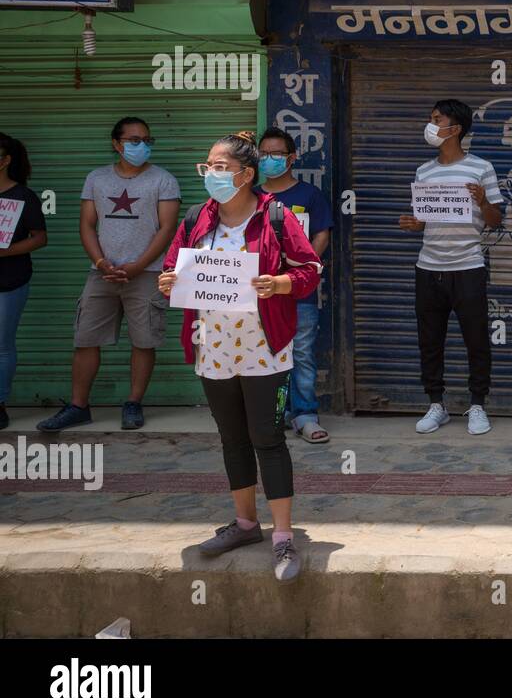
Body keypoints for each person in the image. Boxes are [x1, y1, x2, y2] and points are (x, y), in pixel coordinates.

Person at [158, 131, 322, 582]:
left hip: (264, 348)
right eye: (207, 167)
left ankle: (283, 535)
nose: (211, 174)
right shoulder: (196, 219)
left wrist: (280, 284)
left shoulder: (275, 216)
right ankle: (246, 524)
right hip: (212, 346)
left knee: (267, 437)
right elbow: (174, 267)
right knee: (232, 438)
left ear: (246, 175)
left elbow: (310, 270)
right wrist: (169, 282)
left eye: (220, 167)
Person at [39, 117, 179, 432]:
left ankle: (133, 403)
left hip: (145, 273)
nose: (140, 145)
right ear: (116, 143)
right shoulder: (97, 179)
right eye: (132, 140)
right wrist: (101, 263)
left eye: (145, 139)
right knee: (86, 339)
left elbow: (167, 228)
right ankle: (78, 406)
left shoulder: (163, 180)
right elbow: (87, 224)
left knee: (143, 342)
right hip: (101, 274)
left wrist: (139, 265)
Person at [398, 100, 504, 435]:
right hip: (428, 267)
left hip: (468, 266)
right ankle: (436, 404)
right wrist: (415, 225)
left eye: (436, 120)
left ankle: (477, 405)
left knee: (476, 340)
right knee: (430, 340)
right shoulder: (424, 172)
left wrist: (483, 201)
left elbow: (496, 221)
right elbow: (424, 219)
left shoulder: (481, 168)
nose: (430, 126)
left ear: (455, 129)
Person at [256, 127, 334, 443]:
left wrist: (303, 269)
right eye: (264, 154)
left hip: (298, 291)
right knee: (264, 352)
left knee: (300, 351)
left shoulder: (309, 196)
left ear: (291, 158)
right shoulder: (251, 196)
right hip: (261, 292)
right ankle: (271, 415)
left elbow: (322, 234)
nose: (269, 159)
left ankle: (305, 415)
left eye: (276, 154)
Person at [0, 134, 48, 430]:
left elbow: (39, 238)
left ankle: (0, 402)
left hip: (9, 282)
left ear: (5, 161)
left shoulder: (23, 197)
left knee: (2, 346)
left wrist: (5, 251)